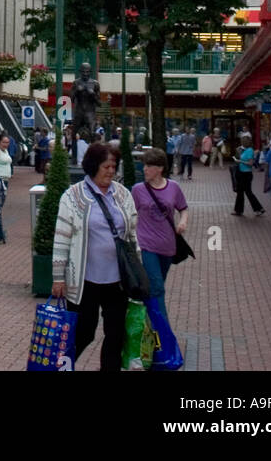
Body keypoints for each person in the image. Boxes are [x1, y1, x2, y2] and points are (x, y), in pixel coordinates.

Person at [51, 142, 141, 372]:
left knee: (115, 335)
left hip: (117, 280)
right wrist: (58, 277)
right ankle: (60, 367)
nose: (111, 171)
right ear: (93, 166)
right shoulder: (72, 196)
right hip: (84, 281)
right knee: (83, 333)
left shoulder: (122, 194)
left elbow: (131, 236)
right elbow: (62, 238)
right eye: (106, 166)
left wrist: (137, 270)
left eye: (114, 166)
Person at [131, 149, 189, 327]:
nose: (145, 169)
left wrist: (183, 222)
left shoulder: (173, 187)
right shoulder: (138, 190)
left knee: (155, 288)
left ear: (160, 168)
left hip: (167, 246)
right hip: (146, 245)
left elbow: (183, 208)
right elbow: (129, 215)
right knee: (157, 288)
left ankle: (148, 325)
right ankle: (163, 334)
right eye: (145, 165)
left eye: (149, 166)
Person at [231, 133, 265, 217]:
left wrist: (240, 161)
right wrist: (238, 155)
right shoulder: (244, 150)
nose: (241, 143)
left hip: (246, 174)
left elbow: (250, 163)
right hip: (241, 172)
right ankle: (257, 209)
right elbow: (239, 157)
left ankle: (254, 209)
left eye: (242, 141)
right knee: (243, 192)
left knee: (244, 192)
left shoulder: (249, 151)